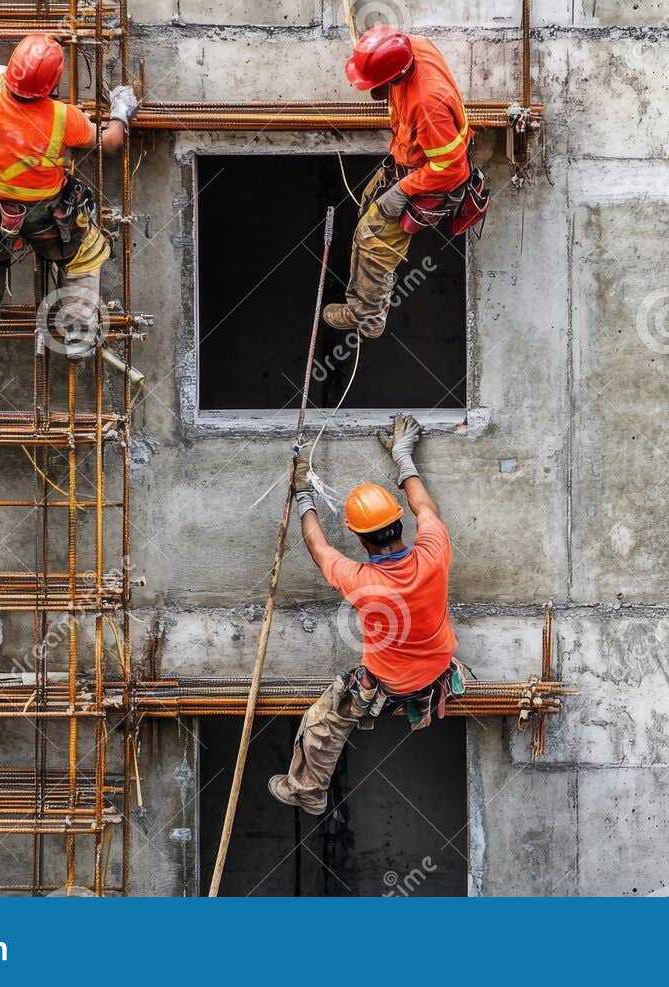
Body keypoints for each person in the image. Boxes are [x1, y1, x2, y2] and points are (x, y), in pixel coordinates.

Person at [269, 415, 467, 815]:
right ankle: (307, 790)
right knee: (332, 716)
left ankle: (308, 790)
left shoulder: (361, 581)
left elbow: (318, 547)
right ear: (398, 521)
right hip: (438, 668)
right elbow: (424, 505)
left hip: (391, 682)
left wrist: (303, 492)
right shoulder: (435, 552)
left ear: (358, 537)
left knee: (324, 723)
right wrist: (403, 456)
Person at [0, 34, 139, 358]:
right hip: (45, 217)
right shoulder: (64, 117)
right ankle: (78, 333)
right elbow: (110, 143)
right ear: (52, 83)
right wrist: (121, 113)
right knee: (86, 253)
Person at [322, 26, 473, 339]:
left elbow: (452, 168)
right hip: (409, 157)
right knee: (367, 202)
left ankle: (368, 316)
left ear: (394, 75)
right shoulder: (411, 47)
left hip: (431, 176)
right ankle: (360, 294)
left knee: (371, 236)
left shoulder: (428, 104)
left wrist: (403, 190)